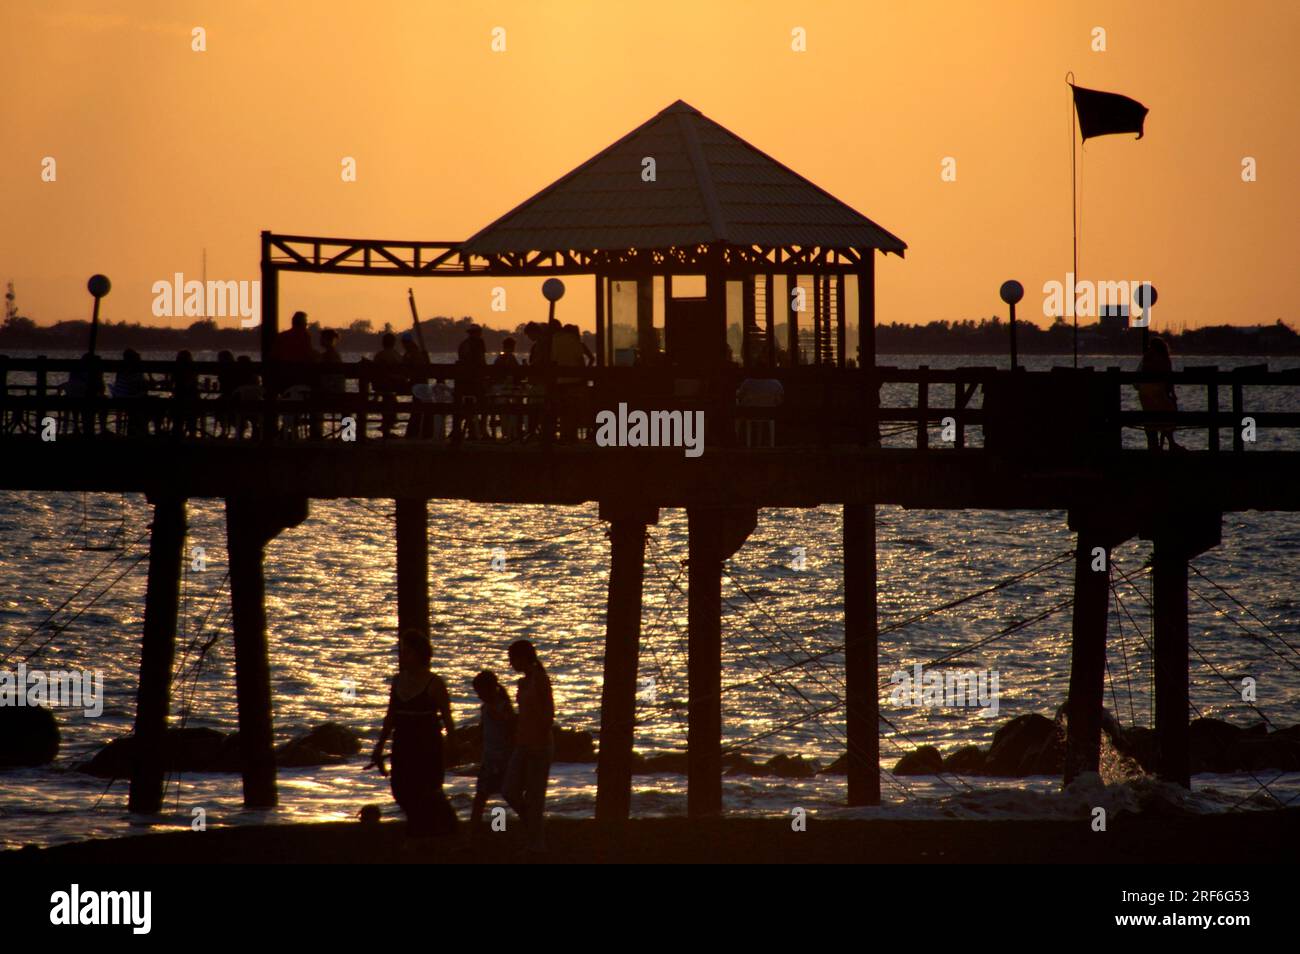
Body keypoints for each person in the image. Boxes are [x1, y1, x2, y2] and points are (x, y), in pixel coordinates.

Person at [368, 629, 458, 839]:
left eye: (407, 652)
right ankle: (425, 831)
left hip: (427, 744)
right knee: (401, 790)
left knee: (428, 791)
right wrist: (379, 746)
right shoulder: (398, 681)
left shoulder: (434, 683)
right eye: (402, 652)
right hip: (403, 743)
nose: (403, 656)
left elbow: (447, 718)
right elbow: (390, 715)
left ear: (419, 654)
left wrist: (453, 744)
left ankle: (430, 833)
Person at [503, 639, 554, 853]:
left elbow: (548, 713)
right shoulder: (523, 682)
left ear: (524, 658)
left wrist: (538, 738)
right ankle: (534, 826)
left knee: (535, 795)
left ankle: (536, 841)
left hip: (538, 744)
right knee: (509, 790)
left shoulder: (540, 679)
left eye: (513, 659)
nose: (511, 663)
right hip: (522, 742)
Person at [469, 670, 515, 829]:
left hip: (503, 760)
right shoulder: (485, 708)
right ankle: (474, 833)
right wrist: (469, 745)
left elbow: (512, 730)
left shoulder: (504, 707)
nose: (479, 696)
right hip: (489, 760)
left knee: (509, 795)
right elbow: (482, 731)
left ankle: (503, 826)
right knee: (481, 797)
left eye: (480, 692)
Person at [1135, 337, 1181, 451]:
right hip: (1158, 391)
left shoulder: (1147, 358)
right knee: (1167, 416)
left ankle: (1154, 446)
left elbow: (1137, 376)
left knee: (1150, 419)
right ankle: (1170, 443)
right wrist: (1172, 394)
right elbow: (1169, 379)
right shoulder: (1164, 359)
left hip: (1145, 392)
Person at [453, 324, 487, 442]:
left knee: (467, 406)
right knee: (483, 404)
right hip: (474, 381)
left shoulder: (463, 344)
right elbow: (482, 360)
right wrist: (487, 373)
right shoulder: (479, 342)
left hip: (463, 382)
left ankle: (467, 430)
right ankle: (481, 431)